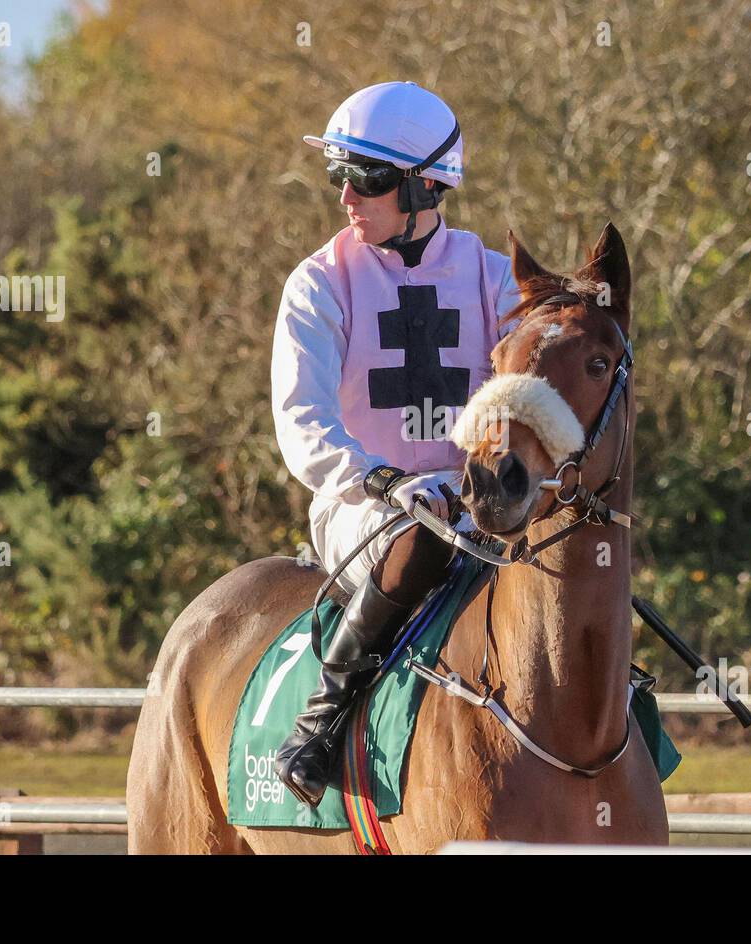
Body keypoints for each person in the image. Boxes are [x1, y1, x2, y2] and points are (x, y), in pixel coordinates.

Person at [270, 81, 520, 805]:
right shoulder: (318, 283)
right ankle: (318, 724)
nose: (347, 197)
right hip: (363, 508)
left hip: (474, 505)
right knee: (422, 534)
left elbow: (529, 402)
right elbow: (304, 424)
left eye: (367, 178)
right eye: (338, 175)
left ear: (425, 187)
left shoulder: (495, 278)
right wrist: (384, 480)